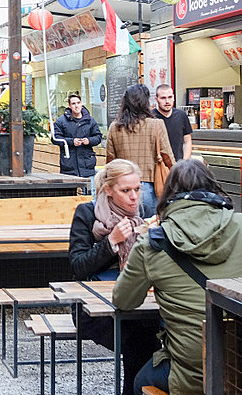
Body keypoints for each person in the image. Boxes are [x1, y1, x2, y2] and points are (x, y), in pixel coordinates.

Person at [113, 159, 242, 395]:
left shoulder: (153, 243)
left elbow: (123, 301)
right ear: (214, 187)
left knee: (140, 382)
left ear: (168, 194)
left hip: (193, 374)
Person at [69, 159, 161, 395]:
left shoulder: (146, 215)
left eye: (138, 189)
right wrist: (111, 242)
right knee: (139, 339)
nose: (134, 197)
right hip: (92, 309)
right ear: (108, 190)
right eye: (126, 190)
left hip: (138, 301)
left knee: (155, 333)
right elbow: (78, 267)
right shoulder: (88, 214)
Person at [106, 84, 175, 218]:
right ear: (145, 102)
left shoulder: (115, 127)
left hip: (123, 188)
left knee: (127, 226)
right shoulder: (156, 124)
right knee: (150, 226)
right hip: (151, 186)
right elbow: (167, 156)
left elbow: (110, 162)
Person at [53, 92, 103, 178]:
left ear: (81, 104)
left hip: (87, 164)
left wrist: (89, 141)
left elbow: (98, 137)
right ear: (69, 106)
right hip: (69, 166)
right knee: (68, 191)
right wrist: (71, 142)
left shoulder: (90, 120)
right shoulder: (61, 121)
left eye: (78, 103)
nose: (76, 106)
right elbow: (55, 138)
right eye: (73, 103)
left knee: (89, 191)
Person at [153, 84, 192, 163]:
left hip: (178, 165)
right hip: (158, 166)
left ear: (174, 98)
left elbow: (187, 141)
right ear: (156, 99)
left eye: (170, 97)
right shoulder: (150, 117)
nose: (167, 101)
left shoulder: (181, 115)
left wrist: (184, 162)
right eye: (163, 98)